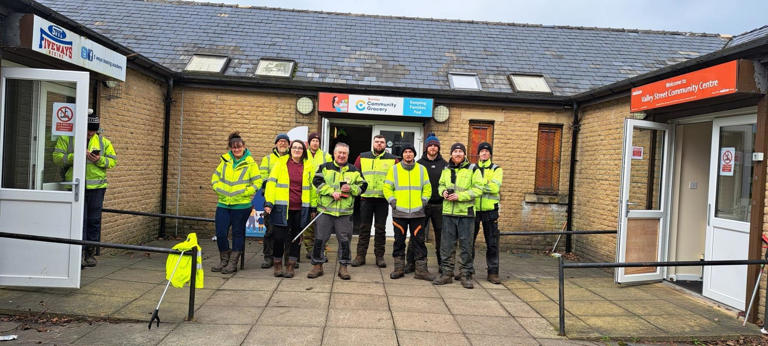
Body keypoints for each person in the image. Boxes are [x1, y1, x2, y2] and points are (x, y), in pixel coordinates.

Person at [53, 114, 117, 268]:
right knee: (77, 221)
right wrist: (77, 156)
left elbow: (113, 161)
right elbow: (56, 158)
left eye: (93, 131)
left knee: (93, 221)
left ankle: (90, 254)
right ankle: (77, 254)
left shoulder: (103, 142)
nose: (90, 133)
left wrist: (99, 160)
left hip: (96, 188)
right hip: (75, 186)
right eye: (89, 130)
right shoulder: (67, 139)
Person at [308, 142, 367, 280]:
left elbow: (363, 186)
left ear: (347, 154)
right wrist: (331, 192)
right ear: (334, 154)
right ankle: (317, 266)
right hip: (325, 211)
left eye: (344, 153)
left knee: (345, 241)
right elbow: (316, 182)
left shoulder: (354, 170)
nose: (341, 155)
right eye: (339, 152)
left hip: (345, 213)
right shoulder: (324, 167)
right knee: (320, 239)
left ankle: (343, 267)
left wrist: (351, 188)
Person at [433, 143, 483, 289]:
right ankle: (446, 274)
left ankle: (465, 275)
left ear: (464, 154)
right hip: (448, 212)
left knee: (466, 245)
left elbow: (478, 189)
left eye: (460, 151)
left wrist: (459, 196)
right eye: (455, 151)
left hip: (466, 213)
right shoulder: (446, 169)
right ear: (451, 154)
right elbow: (441, 184)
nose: (458, 154)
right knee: (446, 245)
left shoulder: (473, 169)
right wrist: (443, 193)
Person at [264, 140, 317, 278]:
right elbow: (271, 183)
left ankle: (290, 266)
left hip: (301, 208)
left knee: (296, 238)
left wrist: (313, 207)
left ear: (303, 151)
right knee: (279, 238)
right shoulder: (281, 163)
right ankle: (277, 264)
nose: (297, 150)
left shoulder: (308, 165)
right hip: (281, 208)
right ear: (290, 149)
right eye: (294, 147)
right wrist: (269, 202)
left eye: (300, 148)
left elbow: (312, 189)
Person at [210, 132, 262, 274]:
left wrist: (245, 192)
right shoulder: (225, 161)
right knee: (221, 233)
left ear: (244, 147)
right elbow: (215, 179)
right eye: (234, 147)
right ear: (230, 148)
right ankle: (223, 261)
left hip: (241, 205)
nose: (236, 149)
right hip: (223, 203)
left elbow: (258, 182)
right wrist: (219, 189)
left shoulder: (251, 163)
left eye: (239, 147)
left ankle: (233, 264)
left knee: (238, 233)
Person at [383, 143, 436, 281]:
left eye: (410, 152)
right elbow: (387, 188)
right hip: (399, 213)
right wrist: (393, 201)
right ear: (402, 155)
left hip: (418, 213)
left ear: (414, 154)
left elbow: (427, 188)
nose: (408, 154)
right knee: (399, 241)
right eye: (405, 152)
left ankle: (421, 271)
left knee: (419, 241)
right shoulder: (394, 169)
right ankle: (399, 268)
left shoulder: (421, 169)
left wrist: (423, 202)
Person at [352, 135, 397, 268]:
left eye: (382, 142)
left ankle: (380, 257)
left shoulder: (393, 159)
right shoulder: (362, 157)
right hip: (366, 199)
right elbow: (355, 174)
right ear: (373, 143)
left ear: (385, 145)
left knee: (380, 229)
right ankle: (360, 256)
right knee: (364, 228)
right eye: (377, 142)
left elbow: (397, 178)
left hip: (383, 200)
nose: (379, 144)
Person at [413, 133, 448, 274]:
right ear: (426, 147)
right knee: (417, 235)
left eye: (435, 145)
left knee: (441, 237)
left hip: (439, 206)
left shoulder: (445, 164)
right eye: (430, 145)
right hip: (422, 206)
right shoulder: (419, 164)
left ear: (438, 148)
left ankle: (442, 265)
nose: (433, 148)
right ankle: (413, 263)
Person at [472, 142, 504, 284]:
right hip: (473, 209)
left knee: (492, 243)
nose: (484, 153)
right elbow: (470, 185)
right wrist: (486, 183)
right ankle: (467, 270)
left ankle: (493, 272)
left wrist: (479, 183)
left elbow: (495, 188)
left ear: (490, 154)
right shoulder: (472, 168)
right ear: (478, 154)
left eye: (486, 151)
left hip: (490, 210)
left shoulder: (496, 169)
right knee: (468, 242)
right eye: (482, 151)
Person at [259, 133, 291, 269]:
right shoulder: (267, 159)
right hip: (272, 200)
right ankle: (269, 257)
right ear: (276, 144)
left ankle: (288, 258)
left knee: (288, 231)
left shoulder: (293, 159)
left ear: (289, 145)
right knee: (271, 230)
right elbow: (263, 178)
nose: (282, 144)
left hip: (288, 201)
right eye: (280, 141)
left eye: (285, 142)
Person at [303, 132, 332, 259]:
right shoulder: (303, 155)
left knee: (322, 227)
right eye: (313, 140)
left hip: (322, 196)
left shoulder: (327, 156)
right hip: (306, 195)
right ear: (309, 142)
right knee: (308, 226)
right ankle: (310, 249)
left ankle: (321, 250)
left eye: (317, 141)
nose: (315, 143)